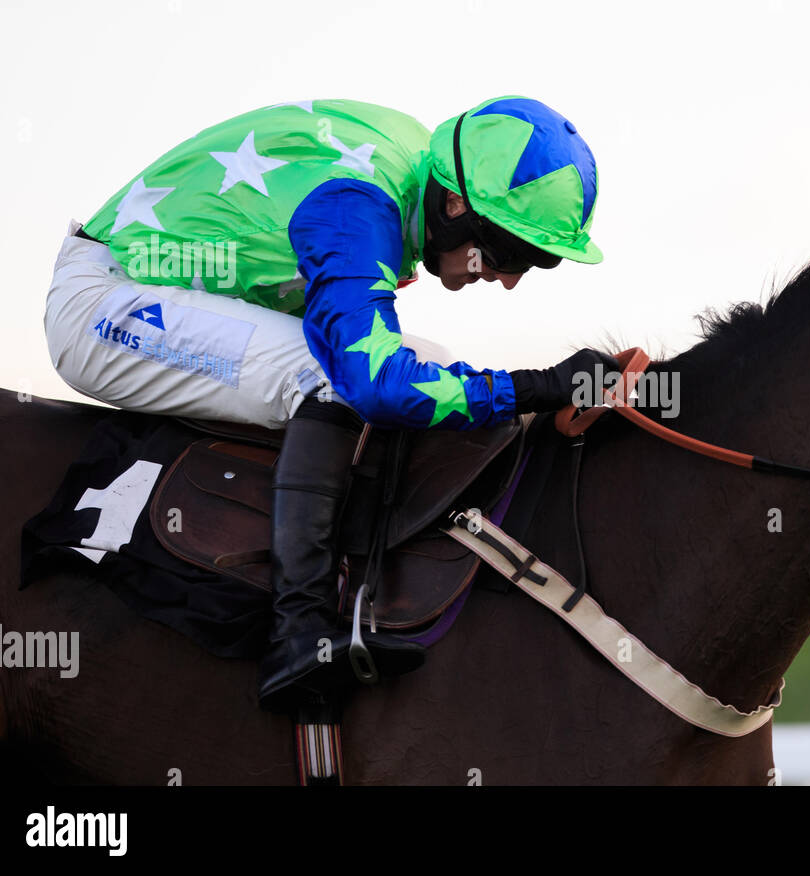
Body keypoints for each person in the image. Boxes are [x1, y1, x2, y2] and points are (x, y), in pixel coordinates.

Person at [43, 96, 617, 717]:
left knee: (427, 356)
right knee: (340, 382)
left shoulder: (417, 165)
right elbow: (371, 381)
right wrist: (534, 389)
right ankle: (299, 633)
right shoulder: (358, 203)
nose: (508, 278)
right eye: (511, 254)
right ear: (455, 205)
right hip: (105, 305)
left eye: (539, 262)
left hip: (158, 283)